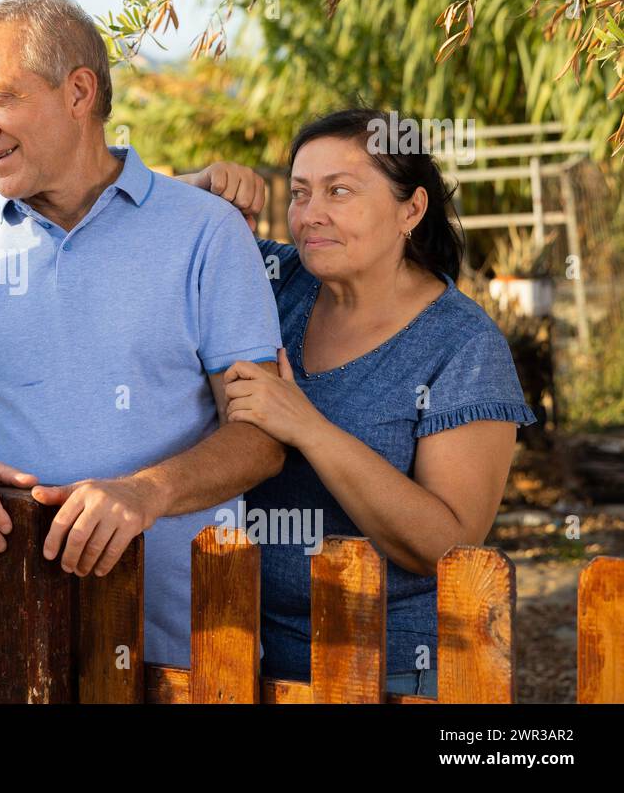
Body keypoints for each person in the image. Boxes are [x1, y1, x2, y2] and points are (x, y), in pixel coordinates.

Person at [0, 0, 287, 668]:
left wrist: (143, 493)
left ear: (78, 91)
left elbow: (262, 438)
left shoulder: (208, 233)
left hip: (192, 651)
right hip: (16, 648)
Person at [206, 109, 537, 696]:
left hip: (396, 668)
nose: (311, 215)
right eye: (302, 192)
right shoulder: (278, 281)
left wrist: (308, 426)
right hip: (248, 653)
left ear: (411, 210)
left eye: (340, 191)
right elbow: (149, 241)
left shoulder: (462, 345)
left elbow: (449, 543)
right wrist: (197, 190)